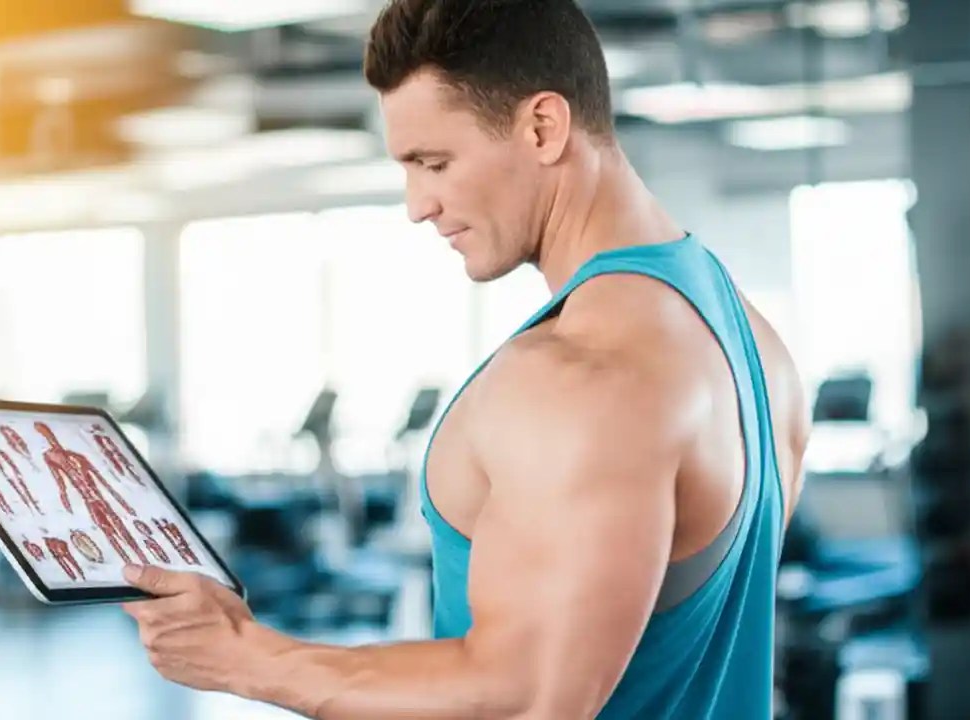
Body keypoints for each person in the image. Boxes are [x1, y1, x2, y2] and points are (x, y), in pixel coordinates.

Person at [120, 0, 810, 717]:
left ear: (543, 127)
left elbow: (526, 700)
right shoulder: (756, 347)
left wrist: (245, 656)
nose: (418, 204)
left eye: (435, 162)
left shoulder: (579, 375)